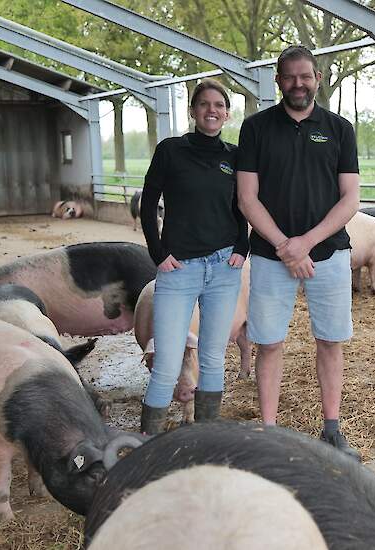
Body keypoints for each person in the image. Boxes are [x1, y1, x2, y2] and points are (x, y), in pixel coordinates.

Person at [236, 45, 361, 460]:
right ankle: (269, 431)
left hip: (329, 254)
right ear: (278, 80)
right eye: (289, 77)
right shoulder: (255, 129)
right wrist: (284, 246)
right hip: (270, 257)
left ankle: (332, 429)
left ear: (317, 79)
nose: (298, 84)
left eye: (305, 76)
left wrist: (304, 243)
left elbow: (350, 199)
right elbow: (247, 198)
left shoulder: (340, 129)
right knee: (269, 342)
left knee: (330, 340)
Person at [139, 78, 249, 434]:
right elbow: (148, 203)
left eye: (219, 105)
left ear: (227, 114)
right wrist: (158, 252)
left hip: (223, 267)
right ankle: (149, 444)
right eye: (204, 104)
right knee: (167, 364)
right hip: (179, 269)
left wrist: (242, 246)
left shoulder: (234, 156)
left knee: (213, 359)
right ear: (193, 111)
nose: (211, 111)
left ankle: (206, 437)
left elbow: (241, 206)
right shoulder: (171, 150)